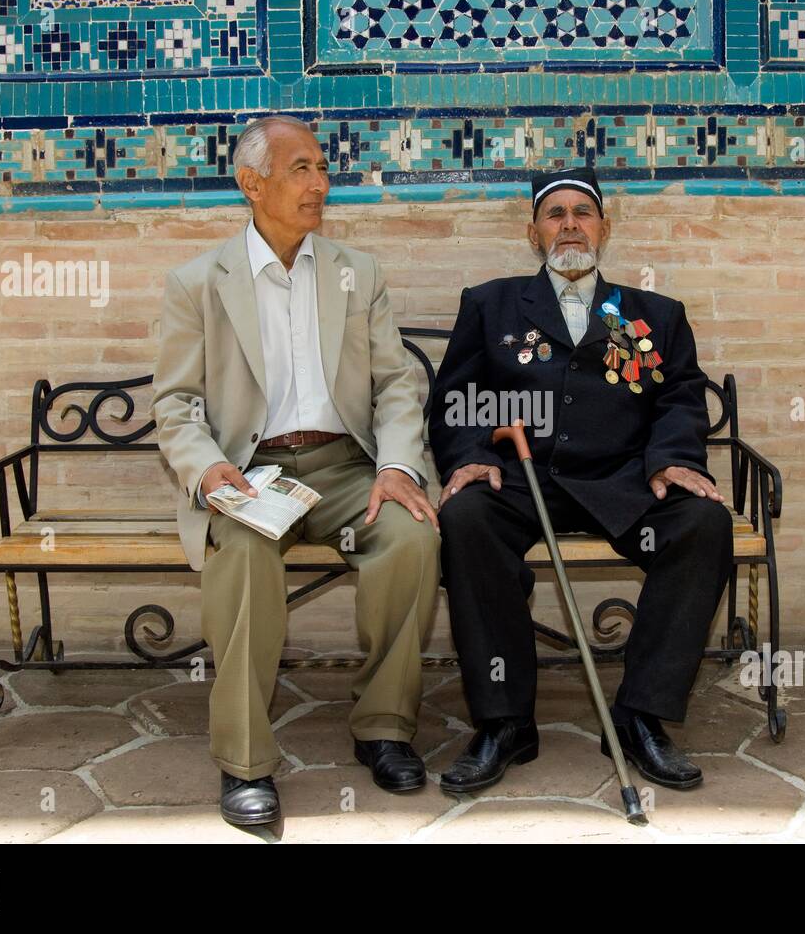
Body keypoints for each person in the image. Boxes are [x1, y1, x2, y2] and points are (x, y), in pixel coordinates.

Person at [153, 116, 440, 826]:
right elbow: (176, 402)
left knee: (411, 536)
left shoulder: (357, 273)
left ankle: (384, 727)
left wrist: (398, 463)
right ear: (252, 183)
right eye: (301, 169)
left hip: (345, 464)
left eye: (321, 167)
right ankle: (246, 762)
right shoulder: (198, 283)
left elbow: (397, 384)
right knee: (244, 551)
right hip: (251, 472)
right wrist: (209, 467)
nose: (319, 183)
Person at [429, 166, 733, 793]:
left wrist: (672, 459)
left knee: (702, 524)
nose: (570, 224)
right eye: (555, 214)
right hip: (520, 481)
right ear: (534, 233)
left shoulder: (655, 314)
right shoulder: (491, 304)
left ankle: (639, 716)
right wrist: (467, 457)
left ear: (604, 228)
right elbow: (454, 398)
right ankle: (504, 721)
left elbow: (680, 398)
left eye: (582, 213)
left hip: (622, 482)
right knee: (465, 518)